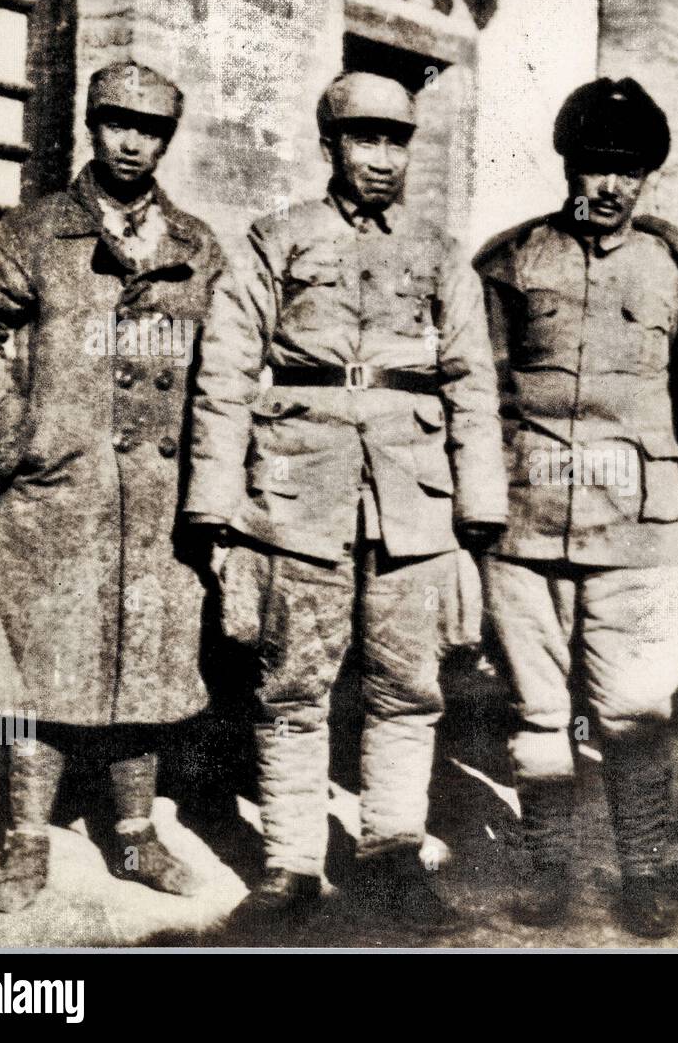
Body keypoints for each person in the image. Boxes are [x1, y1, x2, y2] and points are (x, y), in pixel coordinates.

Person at [186, 71, 507, 932]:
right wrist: (214, 509)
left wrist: (478, 515)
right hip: (298, 492)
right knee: (291, 688)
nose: (381, 159)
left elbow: (474, 384)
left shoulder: (442, 253)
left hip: (415, 500)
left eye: (395, 141)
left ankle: (391, 856)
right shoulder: (276, 238)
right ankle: (291, 865)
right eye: (364, 140)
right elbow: (223, 374)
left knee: (408, 690)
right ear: (330, 147)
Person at [0, 61, 222, 911]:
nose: (132, 140)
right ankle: (24, 844)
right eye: (116, 122)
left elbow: (226, 369)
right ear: (90, 128)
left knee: (149, 662)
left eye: (151, 127)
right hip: (58, 496)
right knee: (37, 666)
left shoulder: (197, 247)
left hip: (157, 500)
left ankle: (133, 836)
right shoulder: (33, 233)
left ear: (168, 139)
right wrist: (16, 437)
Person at [474, 77, 678, 938]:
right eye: (594, 166)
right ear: (568, 166)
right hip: (526, 521)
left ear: (649, 178)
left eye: (628, 171)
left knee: (637, 714)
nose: (609, 186)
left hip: (638, 524)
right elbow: (481, 395)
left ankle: (645, 872)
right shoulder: (511, 262)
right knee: (540, 710)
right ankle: (548, 870)